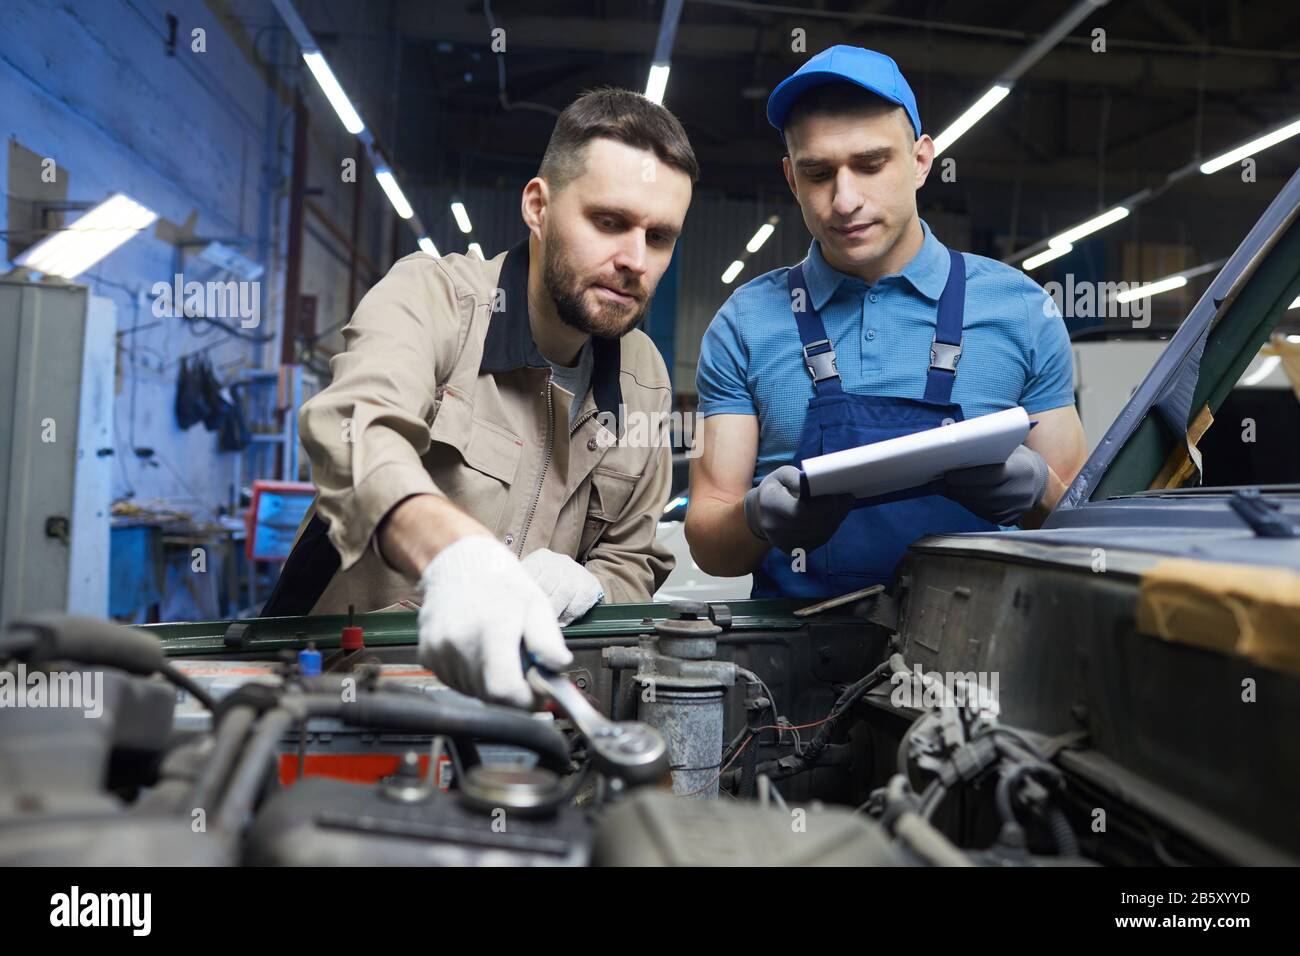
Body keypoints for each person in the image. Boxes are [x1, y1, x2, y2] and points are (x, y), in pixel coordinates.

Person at [264, 88, 698, 707]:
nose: (634, 259)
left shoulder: (645, 379)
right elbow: (355, 429)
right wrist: (451, 552)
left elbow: (632, 555)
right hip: (348, 694)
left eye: (659, 237)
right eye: (608, 222)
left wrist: (589, 583)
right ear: (538, 206)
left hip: (516, 704)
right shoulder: (436, 300)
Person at [686, 45, 1088, 598]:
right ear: (790, 178)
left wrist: (1041, 492)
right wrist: (754, 518)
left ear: (922, 160)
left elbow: (1087, 533)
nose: (845, 200)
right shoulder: (745, 324)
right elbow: (710, 548)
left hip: (974, 654)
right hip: (797, 665)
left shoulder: (1021, 310)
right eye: (818, 172)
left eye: (871, 165)